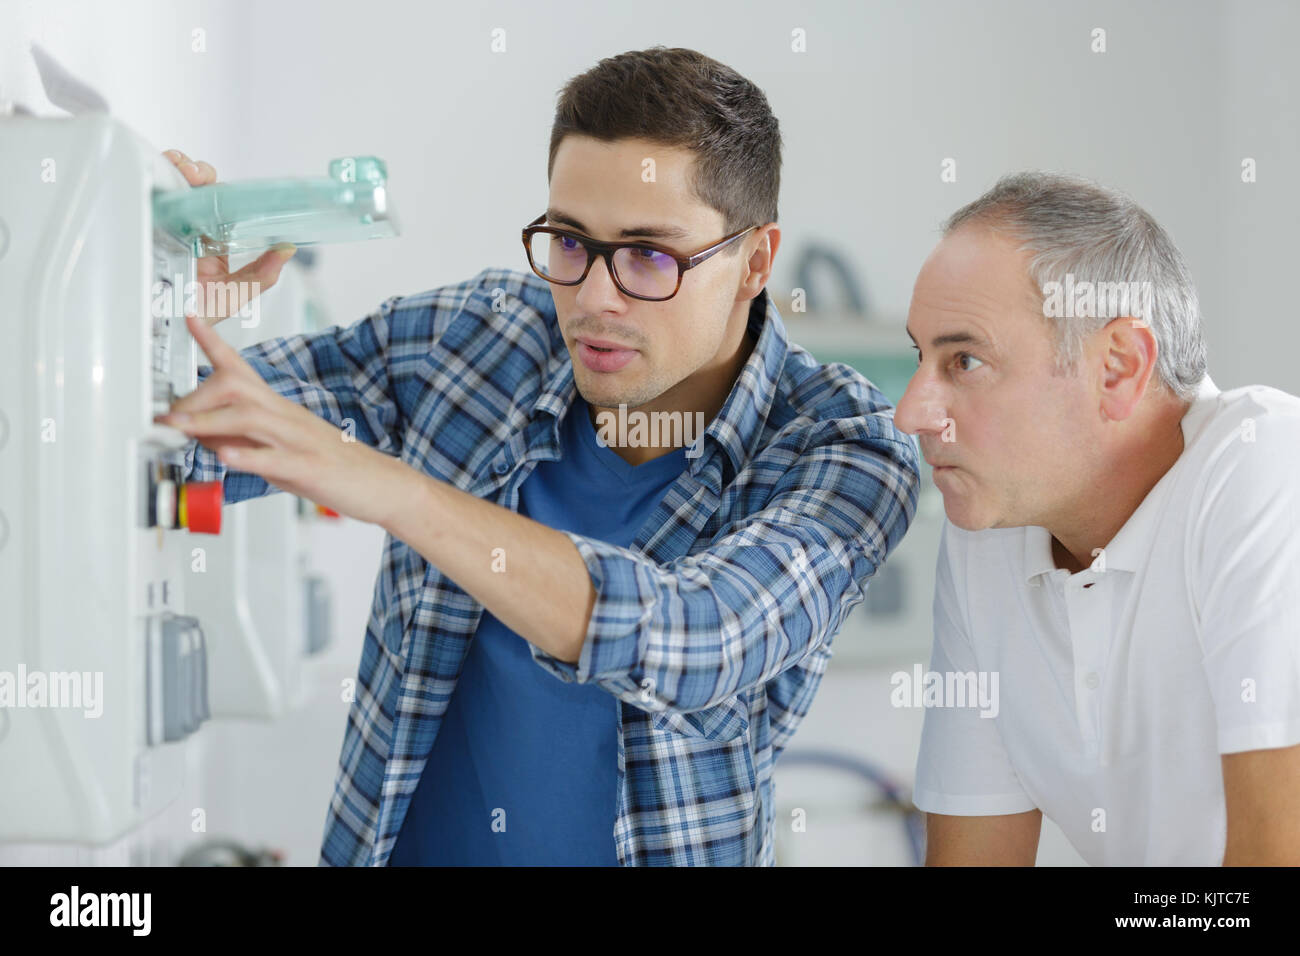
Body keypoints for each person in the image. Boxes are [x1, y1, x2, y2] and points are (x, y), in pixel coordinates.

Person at [159, 46, 919, 866]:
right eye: (568, 242)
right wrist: (183, 311)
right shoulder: (476, 339)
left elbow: (696, 640)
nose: (593, 298)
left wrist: (397, 494)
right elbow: (174, 443)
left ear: (756, 262)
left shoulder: (846, 448)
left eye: (648, 256)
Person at [897, 171, 1300, 865]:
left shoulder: (1267, 466)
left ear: (1118, 367)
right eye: (920, 357)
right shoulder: (990, 529)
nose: (911, 413)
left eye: (964, 360)